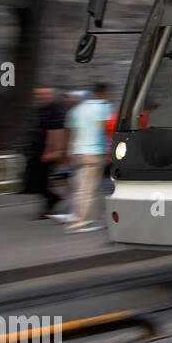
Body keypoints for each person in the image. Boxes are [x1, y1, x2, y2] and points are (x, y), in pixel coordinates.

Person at [64, 82, 113, 234]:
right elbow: (104, 127)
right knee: (88, 189)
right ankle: (81, 222)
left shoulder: (78, 108)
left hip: (78, 151)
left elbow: (70, 131)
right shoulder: (104, 106)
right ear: (103, 93)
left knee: (89, 187)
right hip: (94, 152)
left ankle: (99, 219)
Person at [23, 88, 67, 220]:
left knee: (39, 181)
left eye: (43, 94)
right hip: (36, 150)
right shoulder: (39, 109)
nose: (40, 97)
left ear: (50, 95)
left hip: (46, 152)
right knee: (35, 181)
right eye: (38, 95)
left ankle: (52, 201)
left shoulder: (54, 110)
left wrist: (52, 151)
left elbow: (55, 132)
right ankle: (52, 200)